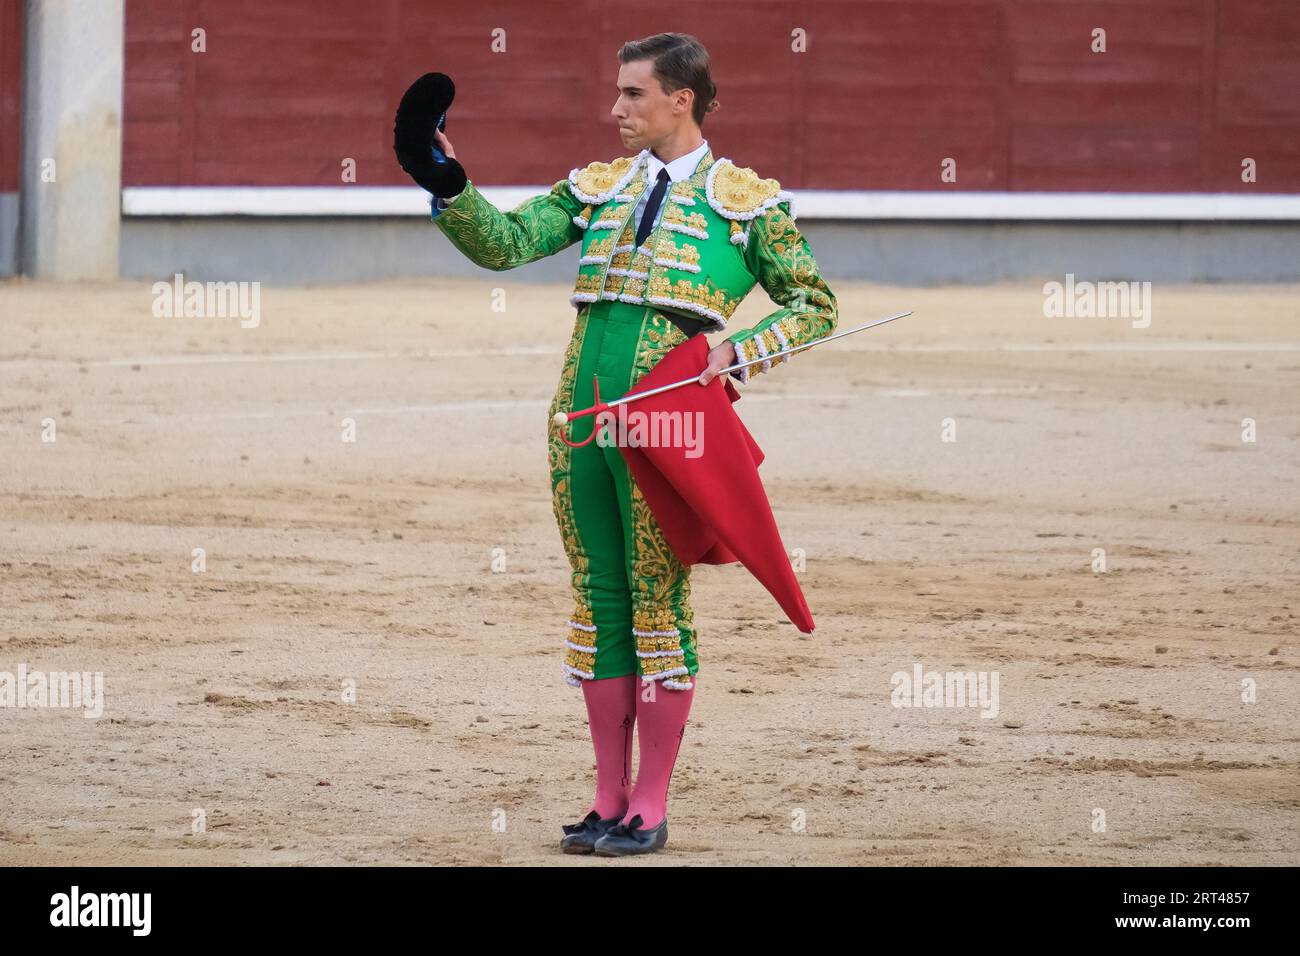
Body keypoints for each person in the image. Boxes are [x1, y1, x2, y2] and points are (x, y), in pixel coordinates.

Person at [396, 32, 838, 856]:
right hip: (577, 407)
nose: (616, 109)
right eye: (617, 92)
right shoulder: (598, 187)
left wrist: (736, 349)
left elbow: (815, 302)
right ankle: (605, 798)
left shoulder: (745, 202)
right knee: (597, 591)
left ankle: (651, 801)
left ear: (683, 99)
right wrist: (446, 181)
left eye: (633, 94)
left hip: (663, 413)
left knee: (653, 594)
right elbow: (507, 243)